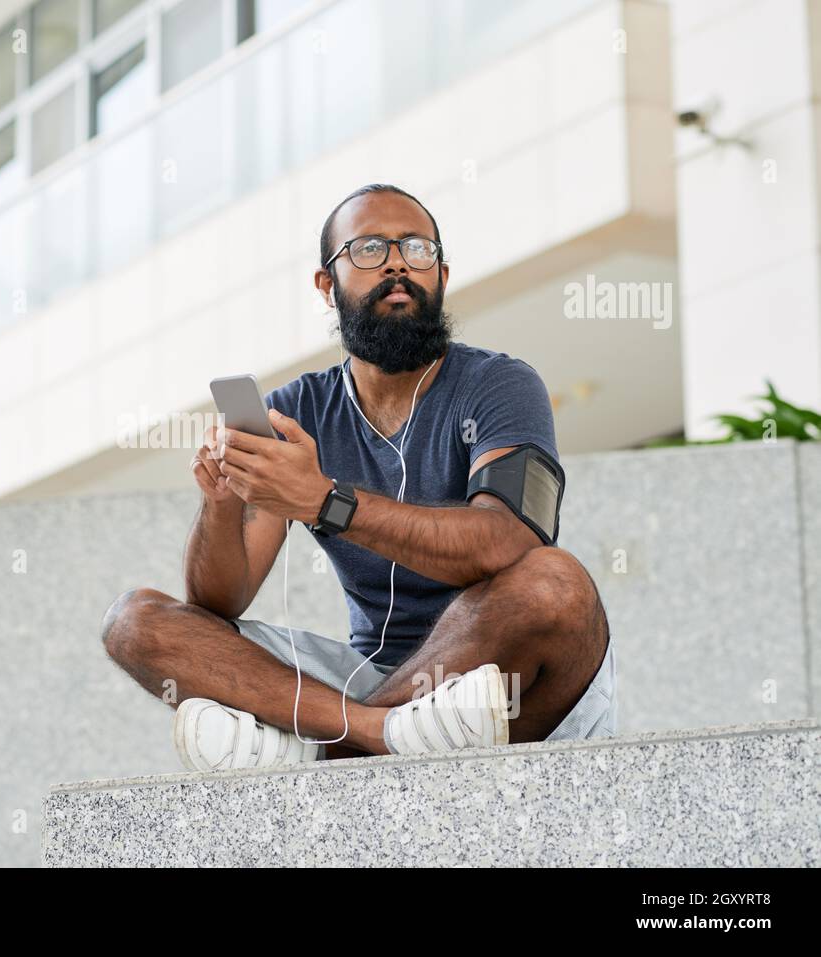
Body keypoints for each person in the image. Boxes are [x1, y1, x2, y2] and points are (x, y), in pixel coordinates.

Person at [101, 184, 617, 771]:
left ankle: (324, 746)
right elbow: (219, 600)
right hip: (365, 682)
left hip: (494, 671)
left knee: (555, 586)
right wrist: (221, 503)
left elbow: (509, 541)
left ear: (442, 275)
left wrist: (326, 501)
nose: (397, 262)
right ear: (327, 284)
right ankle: (378, 733)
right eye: (369, 248)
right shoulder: (295, 412)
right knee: (134, 622)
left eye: (417, 250)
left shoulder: (502, 385)